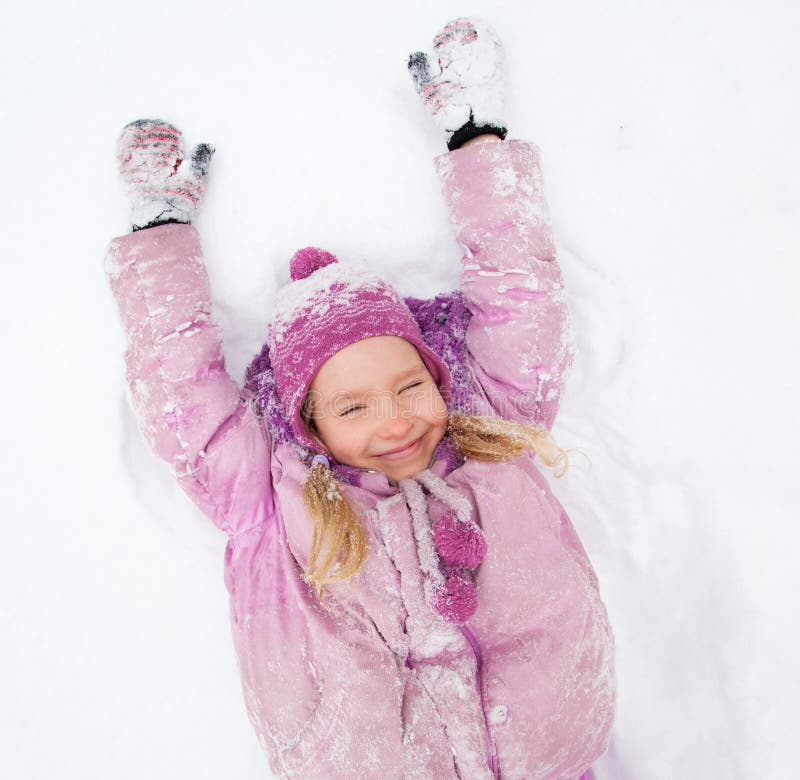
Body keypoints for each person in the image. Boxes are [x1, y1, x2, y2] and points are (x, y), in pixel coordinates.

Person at [105, 16, 615, 780]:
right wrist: (161, 230)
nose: (397, 417)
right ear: (307, 423)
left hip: (555, 759)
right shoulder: (269, 499)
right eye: (352, 408)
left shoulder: (493, 425)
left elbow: (522, 292)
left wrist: (478, 137)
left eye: (410, 385)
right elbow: (183, 397)